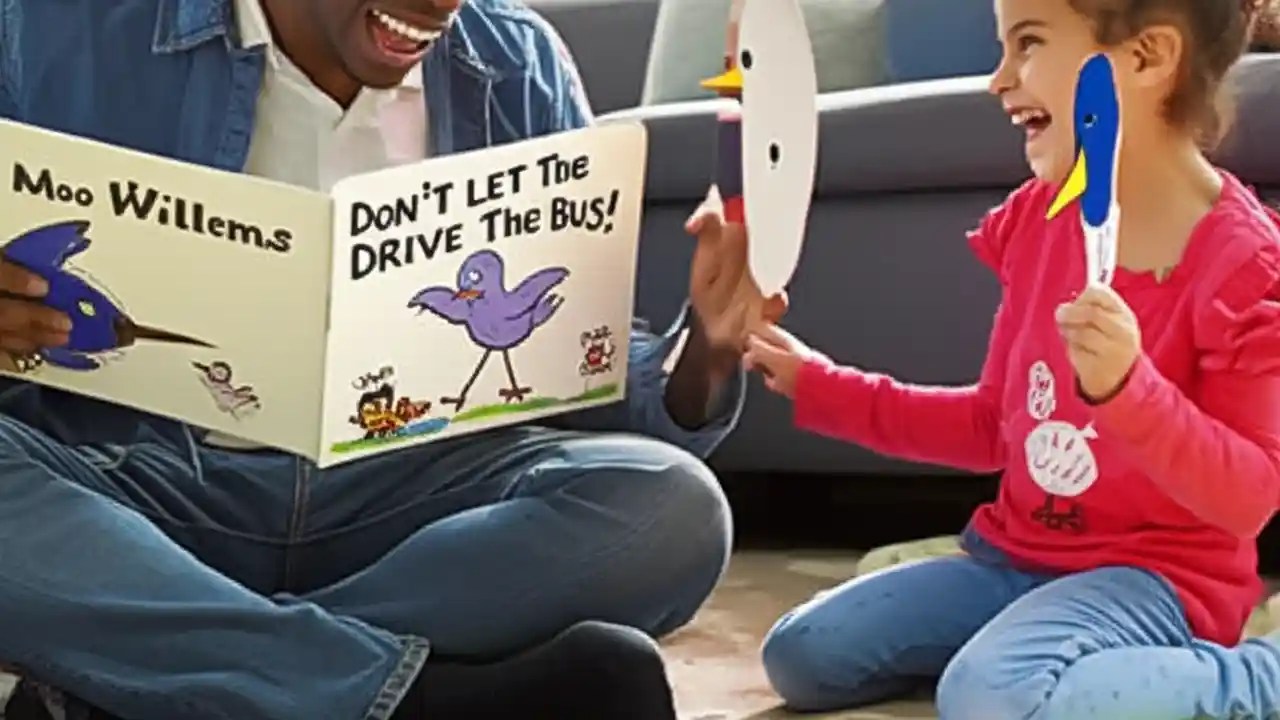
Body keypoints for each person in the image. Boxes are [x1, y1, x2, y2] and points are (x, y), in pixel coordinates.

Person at [0, 0, 783, 718]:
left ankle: (146, 680)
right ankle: (408, 697)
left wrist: (707, 349)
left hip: (412, 502)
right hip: (136, 482)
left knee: (670, 507)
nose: (441, 4)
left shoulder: (516, 63)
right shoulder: (48, 27)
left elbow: (589, 372)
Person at [742, 0, 1280, 718]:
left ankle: (1261, 675)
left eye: (1026, 44)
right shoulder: (1039, 220)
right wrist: (822, 385)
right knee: (804, 655)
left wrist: (1129, 389)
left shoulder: (1244, 267)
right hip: (1017, 559)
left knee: (990, 698)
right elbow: (995, 425)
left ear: (1148, 58)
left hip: (1159, 581)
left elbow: (1250, 498)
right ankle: (1043, 656)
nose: (997, 80)